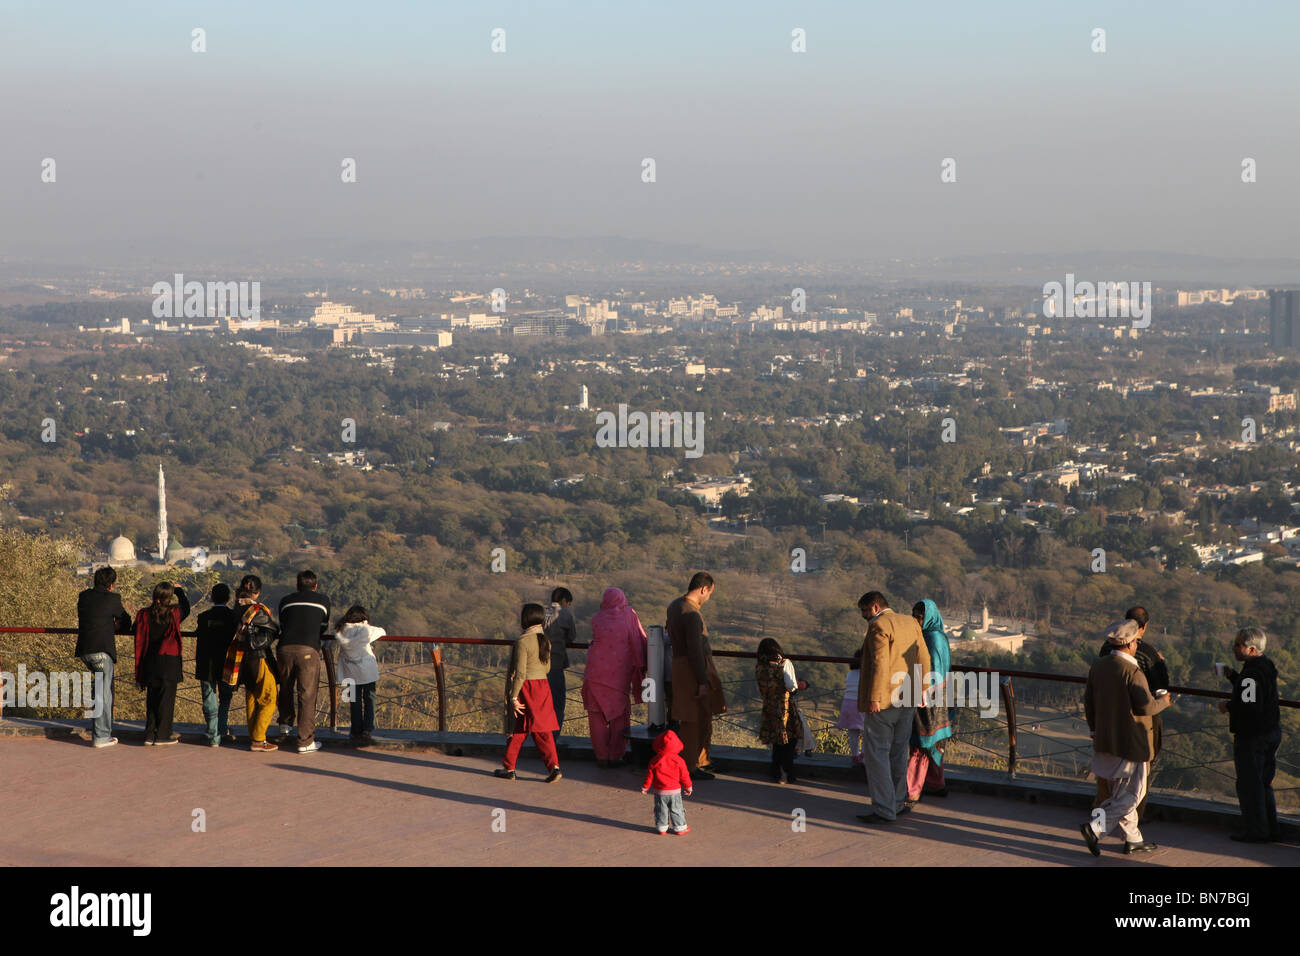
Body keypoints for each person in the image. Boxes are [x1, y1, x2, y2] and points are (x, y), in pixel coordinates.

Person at [1080, 619, 1172, 856]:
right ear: (1131, 644)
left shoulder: (1099, 666)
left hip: (1104, 738)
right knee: (1134, 794)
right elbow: (1145, 707)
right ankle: (1095, 828)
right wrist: (1163, 701)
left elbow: (1088, 701)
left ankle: (1133, 838)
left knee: (1117, 792)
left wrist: (1094, 729)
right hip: (1131, 742)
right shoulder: (1132, 671)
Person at [856, 590, 930, 825]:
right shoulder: (910, 622)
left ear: (876, 607)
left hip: (884, 701)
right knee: (899, 752)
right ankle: (898, 803)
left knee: (876, 754)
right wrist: (922, 688)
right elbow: (924, 658)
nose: (864, 616)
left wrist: (874, 697)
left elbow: (879, 662)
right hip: (907, 697)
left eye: (865, 611)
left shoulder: (879, 625)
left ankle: (884, 808)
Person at [1094, 605, 1168, 819]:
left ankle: (1102, 818)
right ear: (1143, 629)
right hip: (1139, 724)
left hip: (1106, 719)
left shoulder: (1103, 656)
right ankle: (1109, 824)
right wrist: (1163, 700)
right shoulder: (1139, 666)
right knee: (1138, 781)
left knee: (1107, 776)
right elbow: (1153, 697)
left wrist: (1093, 725)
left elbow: (1091, 694)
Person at [1218, 627, 1281, 843]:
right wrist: (1234, 676)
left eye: (1238, 645)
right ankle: (1270, 828)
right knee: (1264, 783)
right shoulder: (1265, 666)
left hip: (1252, 735)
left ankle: (1255, 830)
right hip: (1271, 731)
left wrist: (1228, 706)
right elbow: (1253, 693)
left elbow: (1249, 704)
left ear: (1251, 649)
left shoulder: (1251, 672)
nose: (1234, 648)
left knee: (1249, 784)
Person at [666, 572, 726, 779]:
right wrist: (702, 681)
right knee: (695, 719)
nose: (708, 598)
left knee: (693, 716)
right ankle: (691, 766)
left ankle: (698, 761)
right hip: (693, 669)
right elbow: (695, 650)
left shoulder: (674, 606)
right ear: (703, 589)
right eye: (709, 593)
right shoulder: (692, 614)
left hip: (678, 666)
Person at [495, 603, 562, 783]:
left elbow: (520, 673)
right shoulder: (545, 640)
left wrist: (514, 697)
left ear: (525, 619)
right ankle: (553, 767)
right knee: (540, 729)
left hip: (527, 687)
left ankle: (510, 768)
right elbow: (547, 667)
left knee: (522, 727)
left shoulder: (523, 641)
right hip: (543, 686)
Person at [581, 587, 648, 767]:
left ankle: (602, 757)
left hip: (595, 672)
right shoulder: (629, 614)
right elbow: (639, 638)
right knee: (619, 715)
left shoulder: (597, 618)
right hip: (619, 673)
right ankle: (615, 755)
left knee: (596, 716)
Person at [75, 566, 132, 748]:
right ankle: (101, 736)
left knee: (100, 688)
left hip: (85, 649)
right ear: (111, 585)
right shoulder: (113, 599)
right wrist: (116, 625)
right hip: (102, 650)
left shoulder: (84, 596)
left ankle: (101, 730)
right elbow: (126, 621)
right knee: (103, 692)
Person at [222, 575, 280, 752]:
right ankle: (258, 738)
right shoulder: (257, 610)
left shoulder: (236, 609)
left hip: (241, 660)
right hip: (258, 657)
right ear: (258, 592)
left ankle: (254, 735)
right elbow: (273, 628)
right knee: (269, 697)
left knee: (253, 696)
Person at [276, 569, 331, 753]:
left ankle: (284, 724)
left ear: (297, 586)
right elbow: (323, 627)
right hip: (308, 649)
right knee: (306, 694)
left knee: (285, 686)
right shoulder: (323, 601)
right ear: (315, 586)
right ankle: (305, 741)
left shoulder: (285, 601)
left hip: (284, 648)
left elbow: (283, 625)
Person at [133, 582, 191, 746]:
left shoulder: (143, 614)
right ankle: (163, 735)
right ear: (169, 597)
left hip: (149, 660)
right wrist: (179, 590)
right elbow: (186, 606)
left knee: (152, 698)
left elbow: (135, 629)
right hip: (169, 660)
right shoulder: (174, 613)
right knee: (167, 699)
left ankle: (150, 733)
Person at [907, 599, 953, 802]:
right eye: (915, 615)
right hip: (939, 697)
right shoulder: (937, 636)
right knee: (934, 743)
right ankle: (936, 784)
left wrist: (922, 693)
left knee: (922, 743)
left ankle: (911, 790)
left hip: (928, 698)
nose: (917, 620)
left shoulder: (932, 638)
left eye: (921, 616)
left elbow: (932, 671)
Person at [334, 605, 385, 746]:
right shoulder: (365, 630)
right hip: (366, 671)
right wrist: (366, 624)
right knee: (370, 699)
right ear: (363, 618)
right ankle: (367, 730)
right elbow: (382, 631)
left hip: (348, 672)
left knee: (354, 701)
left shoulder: (341, 629)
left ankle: (355, 731)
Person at [756, 638, 805, 784]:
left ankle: (775, 771)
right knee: (790, 739)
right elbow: (791, 686)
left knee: (777, 741)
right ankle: (789, 772)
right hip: (784, 707)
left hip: (769, 707)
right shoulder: (784, 664)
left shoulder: (760, 666)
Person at [195, 583, 238, 747]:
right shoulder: (233, 617)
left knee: (208, 696)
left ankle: (212, 732)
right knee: (225, 696)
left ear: (212, 598)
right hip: (227, 664)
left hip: (207, 662)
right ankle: (221, 728)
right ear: (228, 598)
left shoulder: (203, 617)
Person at [641, 729, 693, 835]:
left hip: (660, 791)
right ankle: (680, 828)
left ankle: (661, 827)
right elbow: (684, 776)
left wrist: (645, 787)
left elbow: (649, 776)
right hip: (675, 791)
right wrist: (688, 787)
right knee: (676, 809)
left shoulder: (654, 760)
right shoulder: (679, 760)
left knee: (661, 810)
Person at [544, 587, 576, 731]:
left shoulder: (545, 612)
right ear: (564, 601)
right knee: (558, 703)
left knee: (543, 702)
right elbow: (571, 637)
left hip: (540, 664)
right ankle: (553, 736)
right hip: (556, 663)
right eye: (568, 603)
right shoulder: (565, 614)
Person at [835, 639, 867, 770]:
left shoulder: (850, 674)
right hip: (861, 705)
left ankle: (854, 756)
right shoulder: (866, 674)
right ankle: (864, 756)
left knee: (853, 733)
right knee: (866, 732)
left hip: (847, 704)